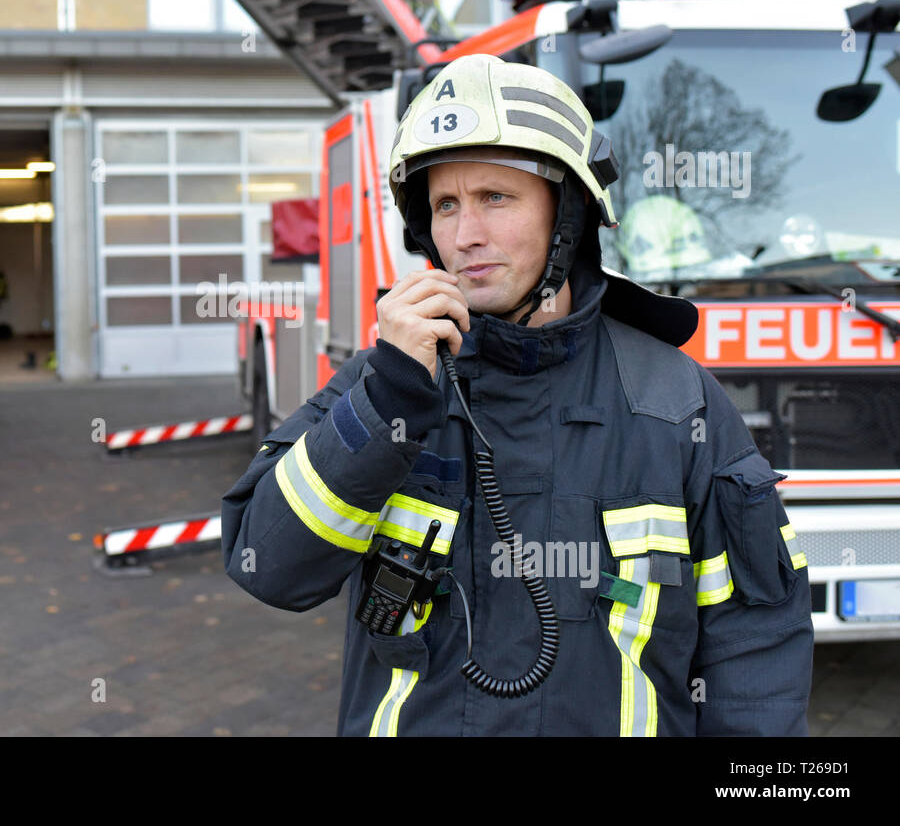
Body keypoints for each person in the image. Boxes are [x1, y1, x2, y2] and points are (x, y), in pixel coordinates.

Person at [221, 53, 813, 736]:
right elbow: (268, 565)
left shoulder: (676, 402)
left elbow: (754, 647)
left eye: (495, 197)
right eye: (446, 204)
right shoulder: (383, 385)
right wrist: (389, 405)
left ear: (568, 213)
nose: (465, 234)